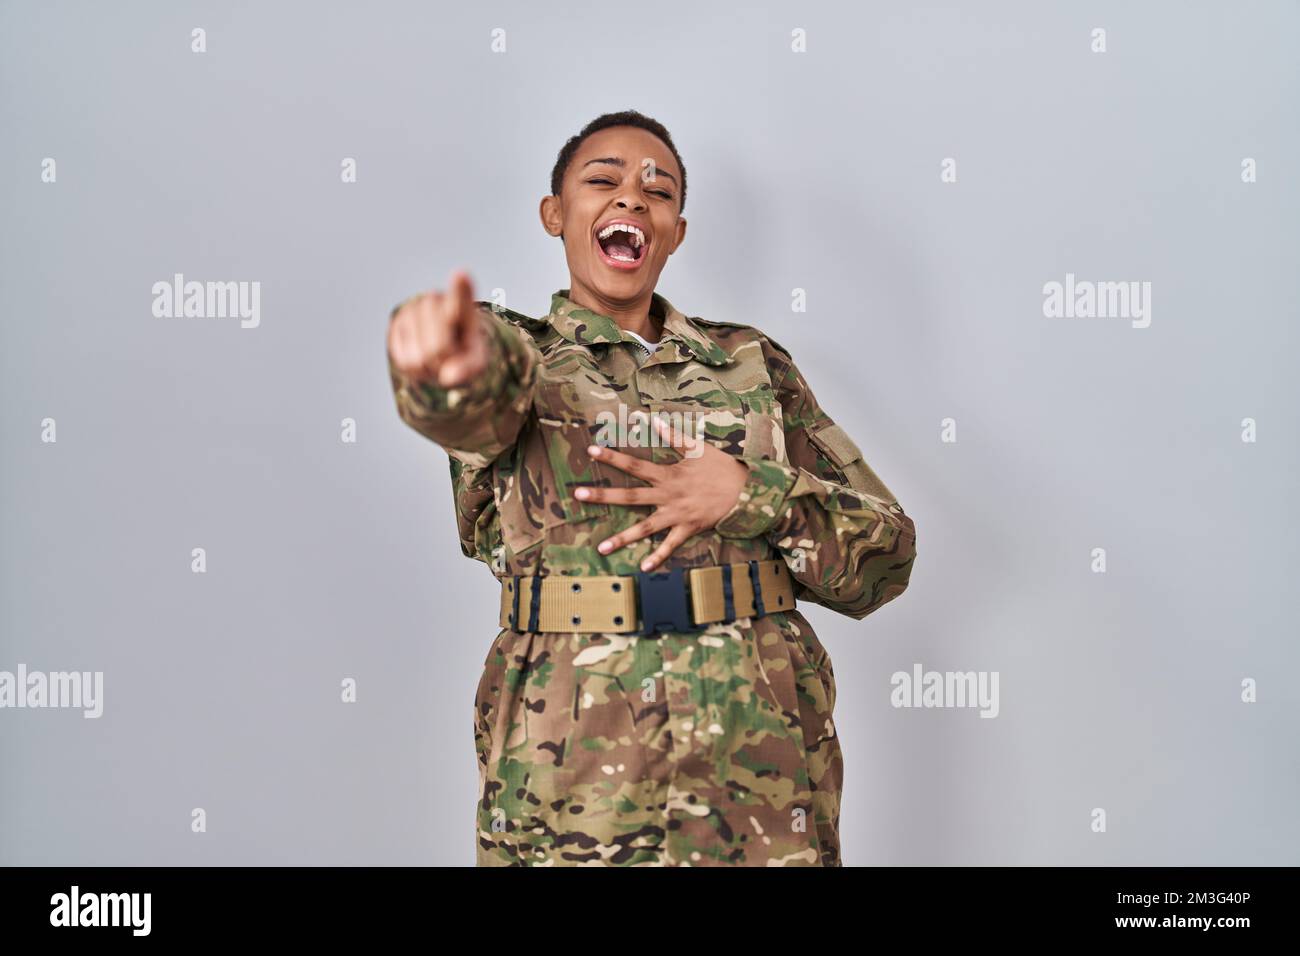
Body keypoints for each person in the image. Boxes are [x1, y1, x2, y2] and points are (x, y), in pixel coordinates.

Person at [386, 110, 917, 866]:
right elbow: (474, 397)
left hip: (759, 765)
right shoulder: (520, 357)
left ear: (675, 232)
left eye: (657, 191)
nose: (632, 196)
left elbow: (884, 561)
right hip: (572, 767)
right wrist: (447, 364)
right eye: (602, 180)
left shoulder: (753, 364)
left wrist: (751, 493)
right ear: (555, 214)